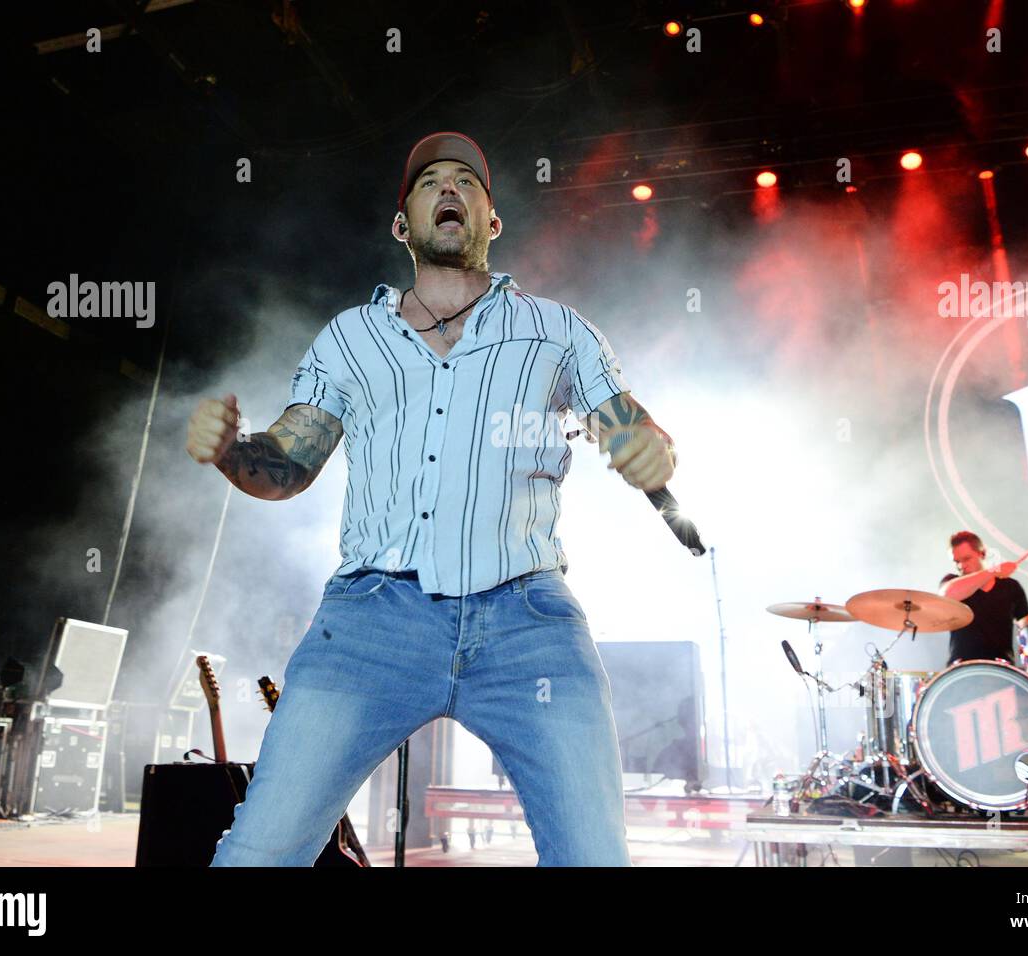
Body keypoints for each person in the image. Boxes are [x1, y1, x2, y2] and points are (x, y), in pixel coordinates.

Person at [187, 132, 678, 866]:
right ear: (402, 225)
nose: (448, 190)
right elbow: (287, 464)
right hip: (370, 624)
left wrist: (651, 450)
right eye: (430, 183)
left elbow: (639, 433)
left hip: (529, 622)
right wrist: (232, 452)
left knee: (594, 857)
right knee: (259, 853)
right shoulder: (349, 340)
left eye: (465, 183)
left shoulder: (558, 331)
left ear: (491, 219)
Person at [938, 530, 1028, 664]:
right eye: (956, 561)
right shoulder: (952, 581)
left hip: (1002, 669)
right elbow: (947, 594)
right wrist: (993, 571)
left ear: (982, 553)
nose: (961, 566)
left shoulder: (1010, 586)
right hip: (962, 670)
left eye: (966, 559)